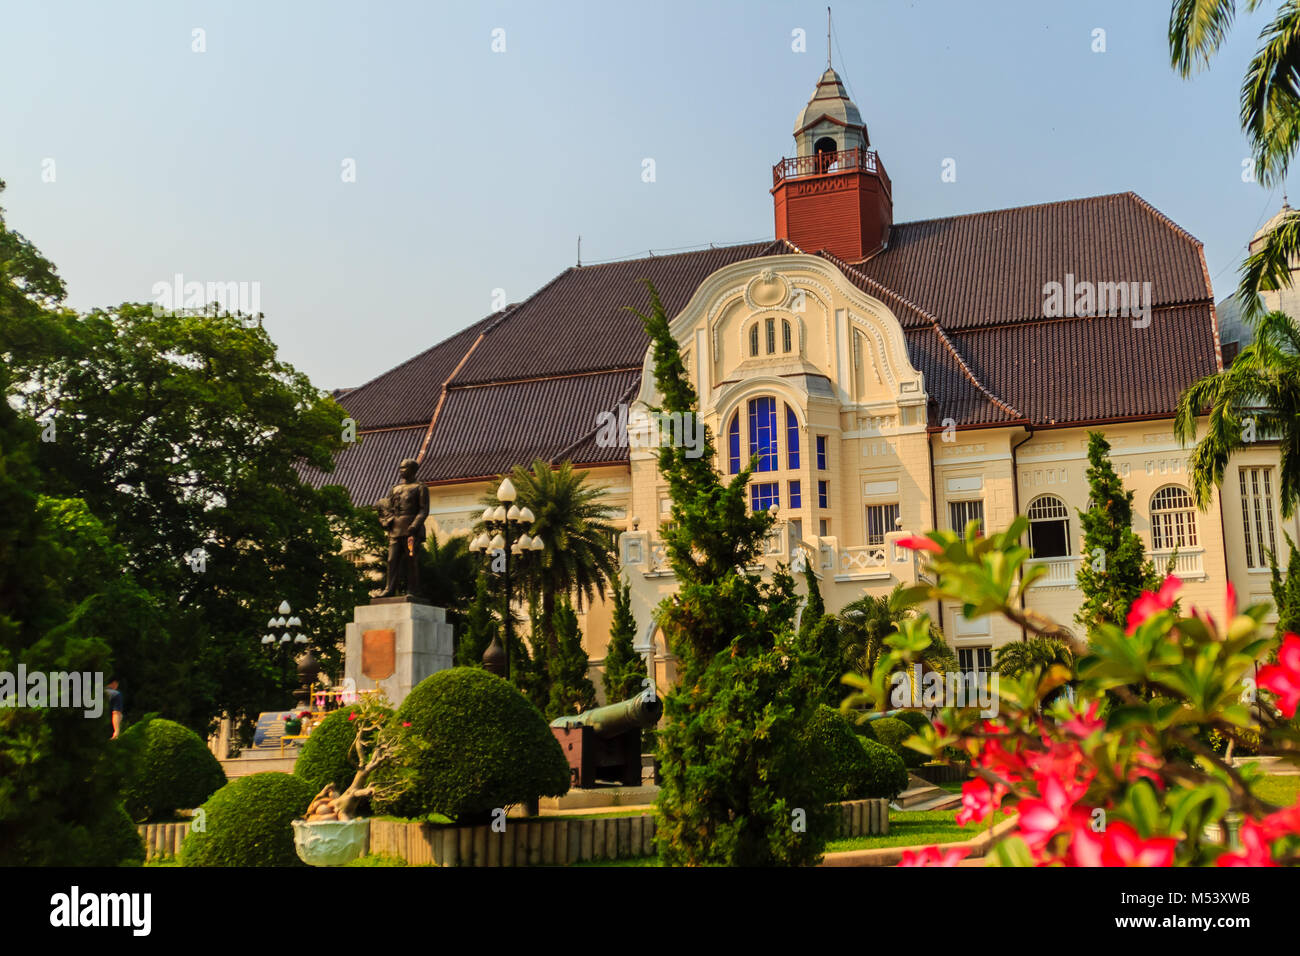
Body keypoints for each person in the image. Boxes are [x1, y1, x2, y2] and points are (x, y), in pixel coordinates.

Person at [106, 675, 124, 739]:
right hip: (107, 730)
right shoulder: (115, 694)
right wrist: (116, 731)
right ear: (114, 683)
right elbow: (116, 713)